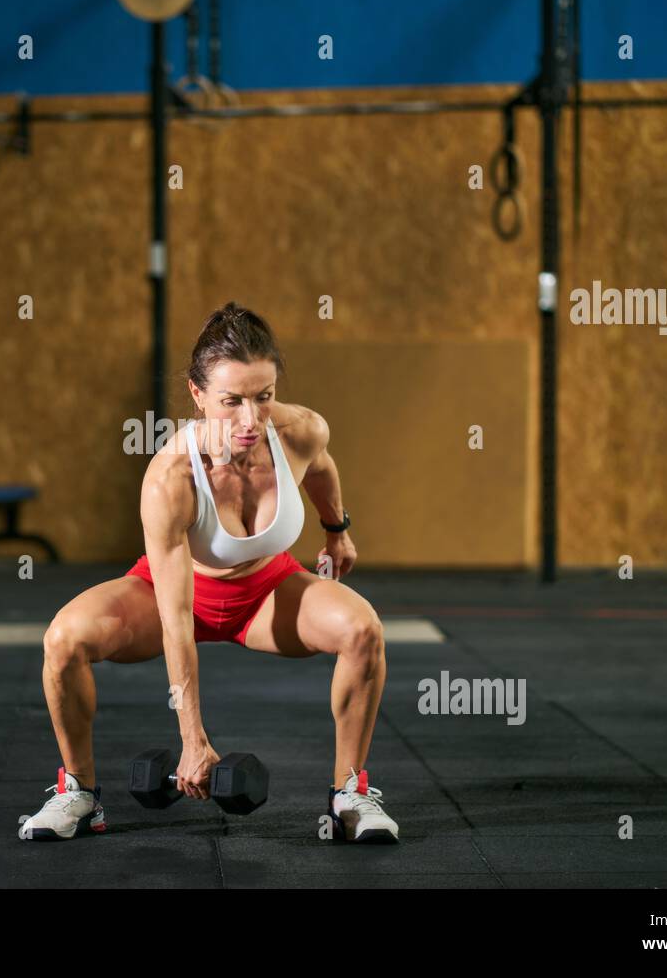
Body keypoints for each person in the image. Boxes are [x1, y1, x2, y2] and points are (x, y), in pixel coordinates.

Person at [20, 303, 397, 843]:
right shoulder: (170, 478)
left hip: (265, 594)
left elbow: (321, 466)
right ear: (198, 396)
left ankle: (349, 796)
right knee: (63, 639)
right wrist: (192, 738)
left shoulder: (301, 431)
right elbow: (176, 619)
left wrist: (337, 528)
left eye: (263, 397)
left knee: (363, 629)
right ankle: (78, 793)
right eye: (231, 402)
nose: (250, 419)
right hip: (174, 596)